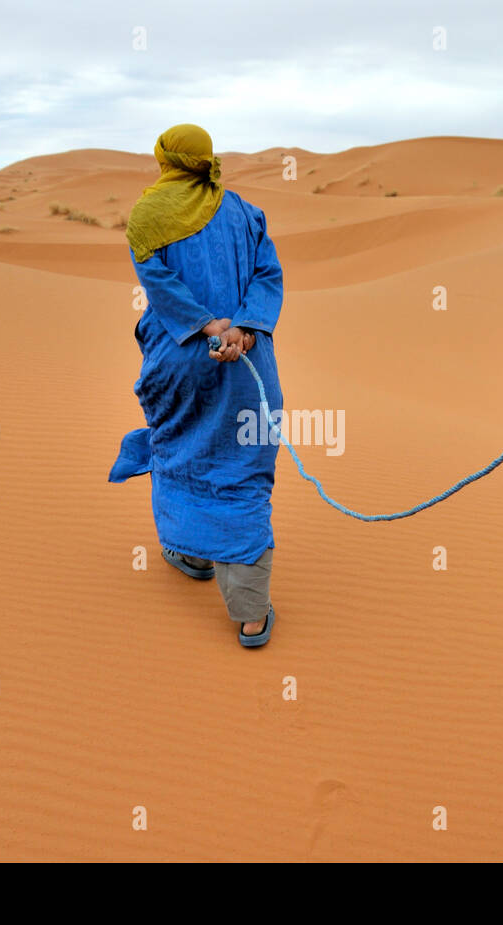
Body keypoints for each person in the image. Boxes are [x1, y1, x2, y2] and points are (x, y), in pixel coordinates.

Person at [109, 123, 283, 648]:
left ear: (166, 159)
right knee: (244, 468)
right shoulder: (246, 213)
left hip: (180, 359)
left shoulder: (148, 214)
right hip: (250, 366)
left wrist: (210, 329)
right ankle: (251, 615)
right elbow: (268, 275)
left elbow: (159, 283)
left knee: (182, 452)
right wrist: (244, 329)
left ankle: (191, 553)